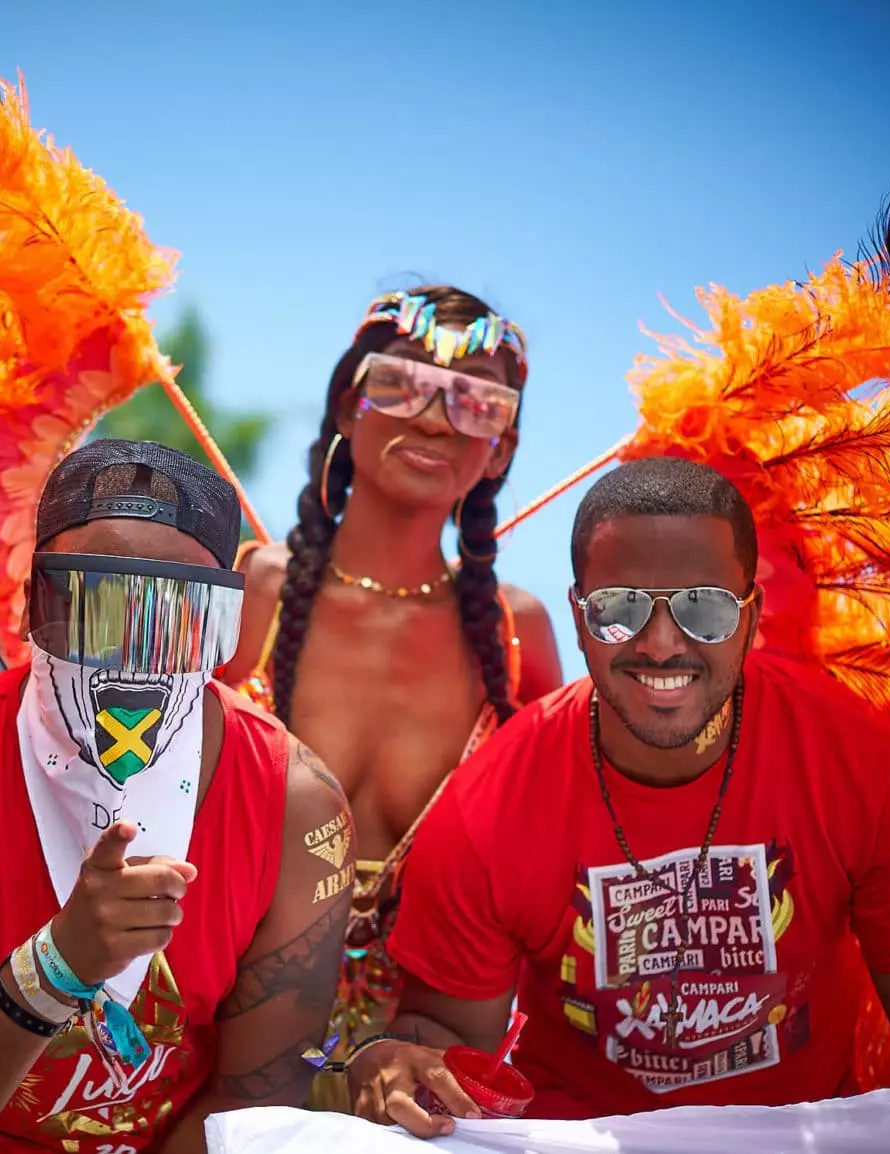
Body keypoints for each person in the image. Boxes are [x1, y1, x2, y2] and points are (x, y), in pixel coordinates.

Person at [347, 456, 890, 1135]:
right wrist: (390, 1057)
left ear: (750, 617)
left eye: (705, 608)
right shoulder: (489, 804)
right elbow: (449, 1034)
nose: (661, 644)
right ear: (578, 619)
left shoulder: (860, 764)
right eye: (619, 610)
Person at [0, 438, 352, 1154]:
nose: (133, 656)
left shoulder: (295, 802)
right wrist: (55, 967)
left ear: (224, 631)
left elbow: (255, 1105)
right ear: (31, 606)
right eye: (94, 608)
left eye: (175, 616)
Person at [219, 285, 563, 1086]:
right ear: (348, 407)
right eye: (400, 383)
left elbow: (555, 859)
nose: (436, 418)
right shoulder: (255, 591)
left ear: (502, 448)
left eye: (476, 400)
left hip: (423, 1079)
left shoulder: (519, 637)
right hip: (220, 1053)